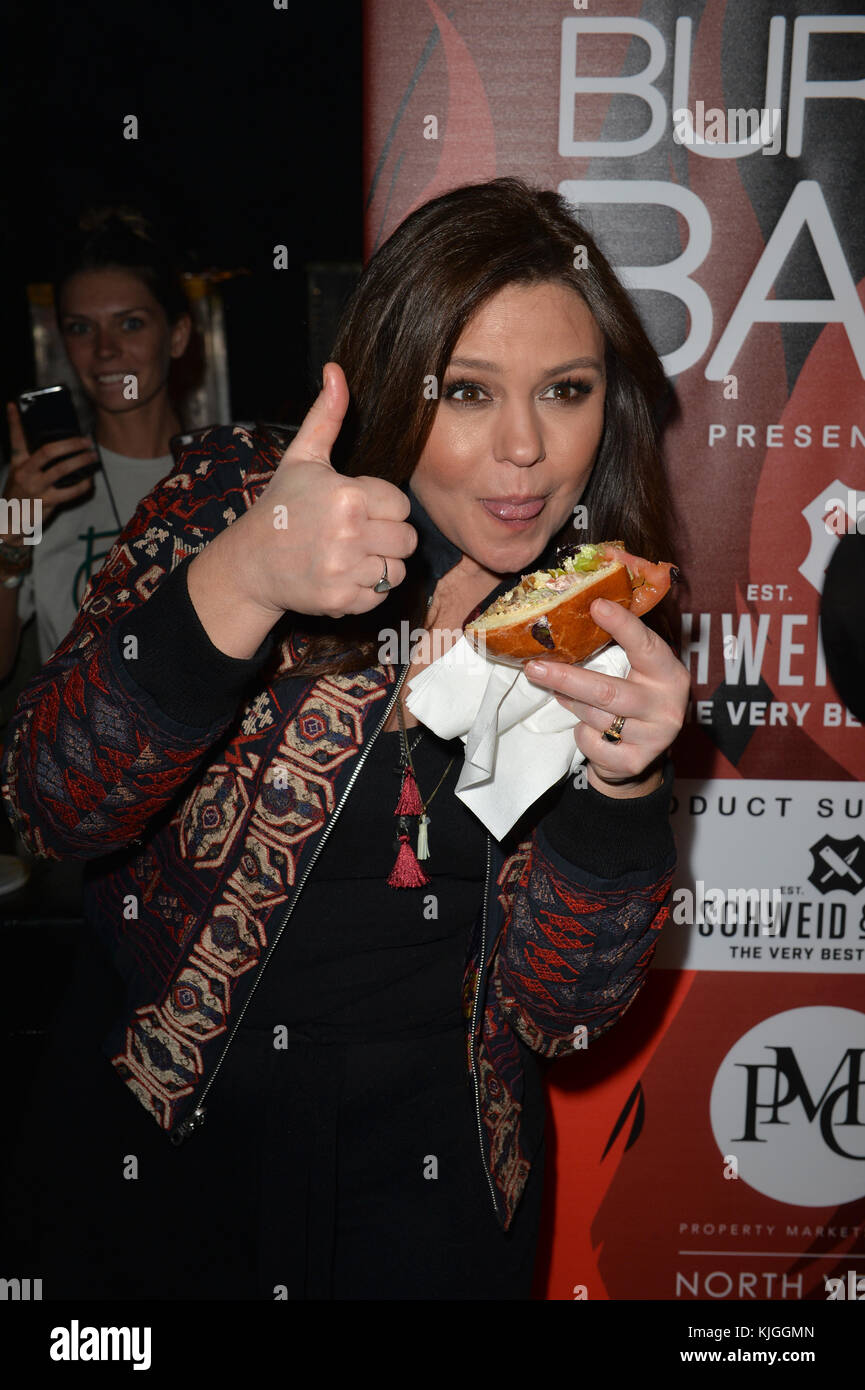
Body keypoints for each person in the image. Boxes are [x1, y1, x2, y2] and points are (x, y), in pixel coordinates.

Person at [0, 177, 689, 1301]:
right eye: (467, 391)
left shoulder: (602, 613)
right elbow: (46, 802)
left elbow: (563, 1013)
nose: (523, 448)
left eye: (565, 390)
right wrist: (239, 581)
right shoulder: (237, 496)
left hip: (433, 1186)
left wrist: (623, 794)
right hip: (169, 1151)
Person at [0, 207, 192, 682]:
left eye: (131, 324)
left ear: (177, 336)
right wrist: (11, 533)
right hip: (76, 728)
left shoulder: (233, 468)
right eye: (81, 328)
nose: (105, 350)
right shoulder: (32, 488)